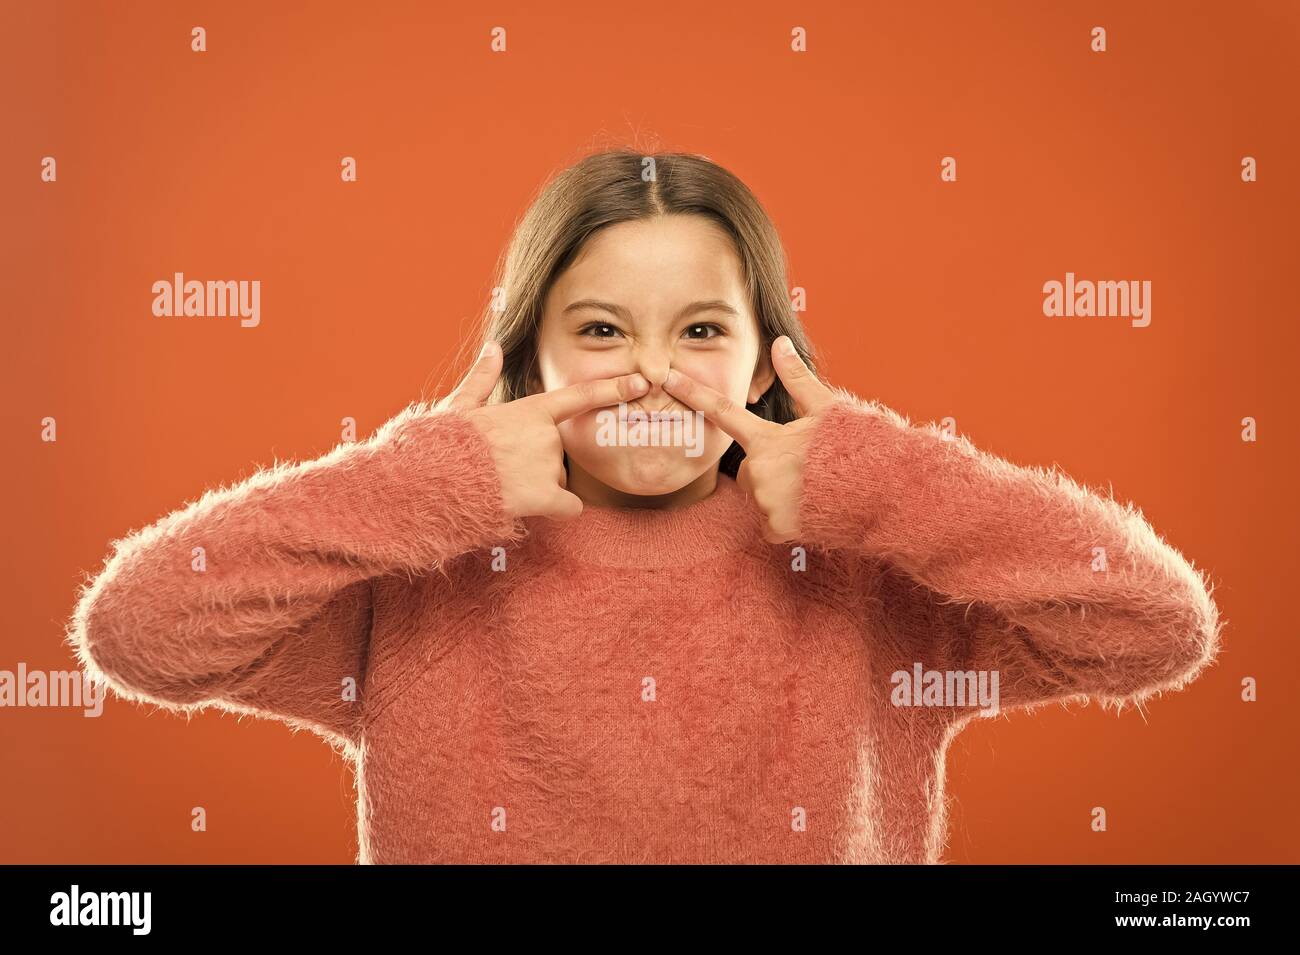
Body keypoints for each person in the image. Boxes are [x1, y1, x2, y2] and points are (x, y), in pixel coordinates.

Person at [65, 150, 1223, 863]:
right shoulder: (425, 561)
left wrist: (883, 480)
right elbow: (141, 632)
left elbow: (1153, 628)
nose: (656, 373)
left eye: (701, 332)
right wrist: (423, 477)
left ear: (765, 362)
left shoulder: (867, 568)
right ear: (532, 355)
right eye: (604, 331)